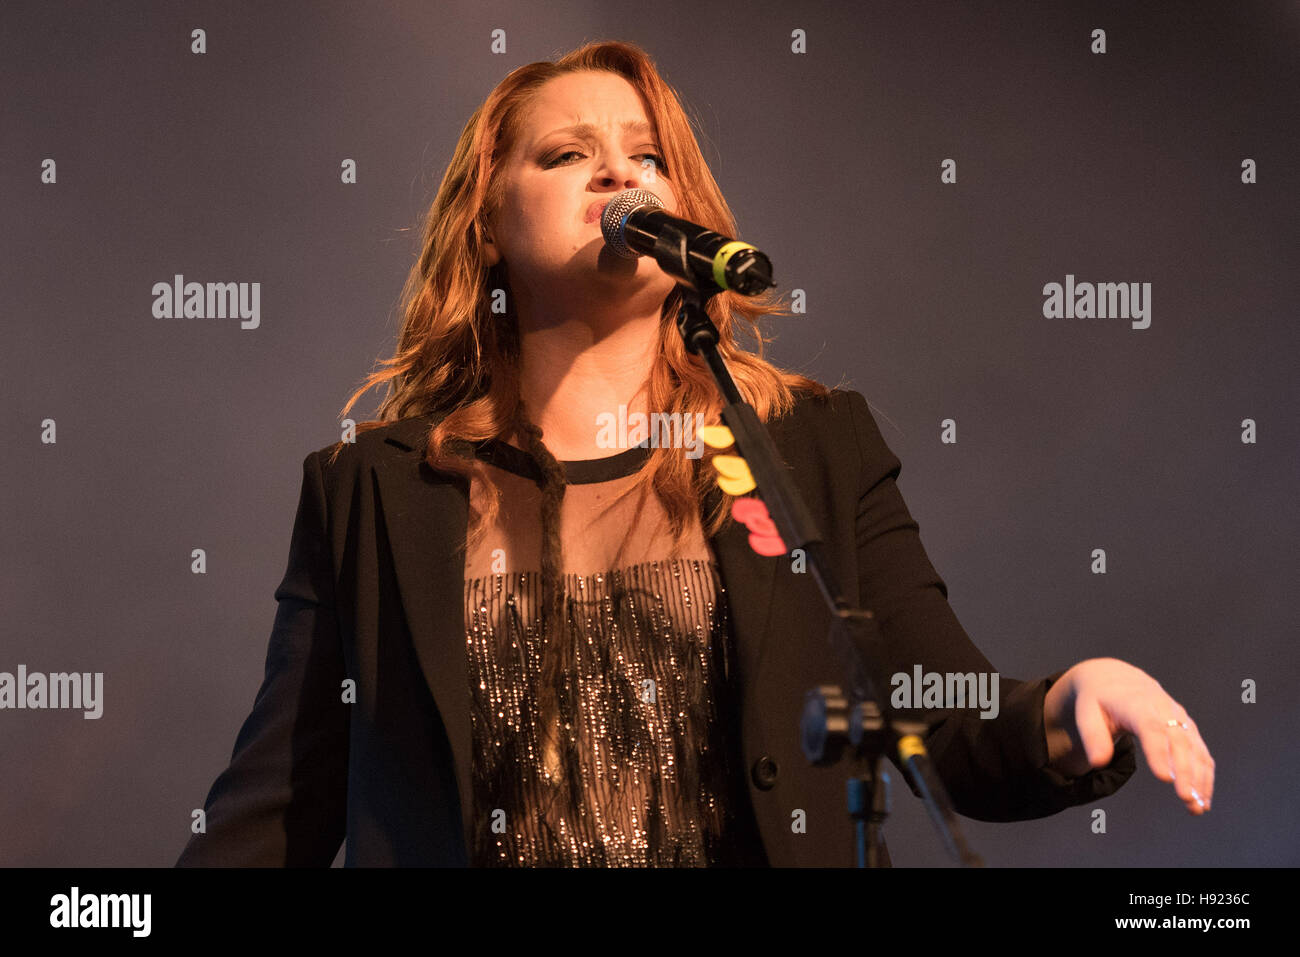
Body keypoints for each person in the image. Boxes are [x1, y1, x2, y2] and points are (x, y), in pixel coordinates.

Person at [177, 40, 1214, 868]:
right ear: (487, 221)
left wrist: (1074, 701)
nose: (619, 170)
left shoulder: (807, 446)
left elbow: (936, 714)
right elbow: (278, 811)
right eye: (567, 153)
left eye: (645, 153)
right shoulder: (372, 491)